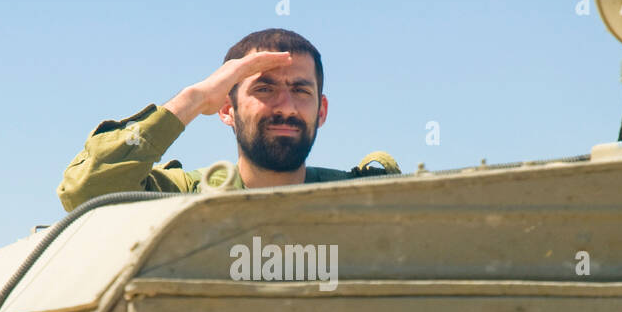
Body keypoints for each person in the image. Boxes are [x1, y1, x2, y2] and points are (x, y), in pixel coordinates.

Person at [56, 28, 398, 212]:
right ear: (225, 110)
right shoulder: (182, 198)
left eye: (300, 90)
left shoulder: (363, 199)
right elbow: (88, 191)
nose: (286, 107)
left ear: (321, 111)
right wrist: (193, 100)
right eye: (264, 88)